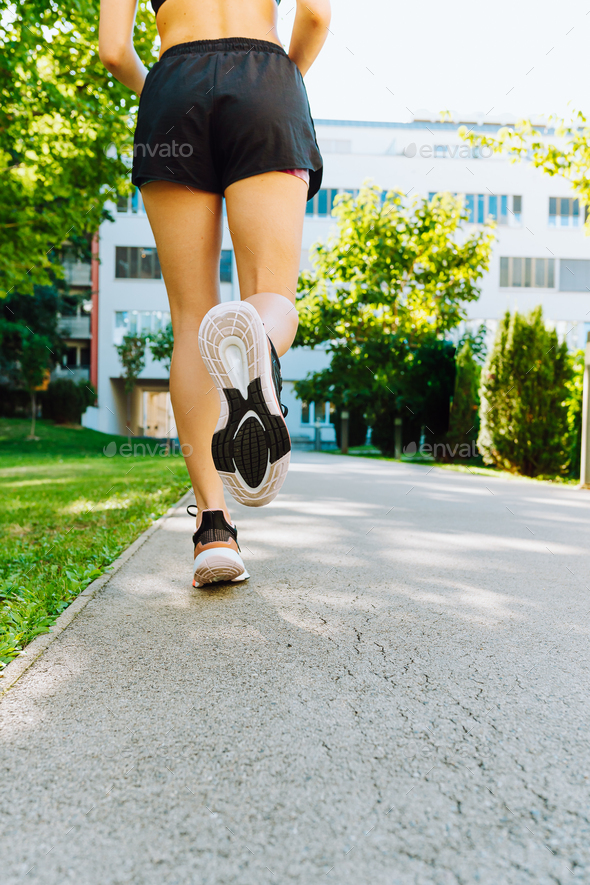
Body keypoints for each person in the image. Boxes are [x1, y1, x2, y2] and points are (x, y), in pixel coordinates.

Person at [99, 0, 330, 587]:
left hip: (172, 91)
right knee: (272, 297)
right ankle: (254, 345)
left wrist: (165, 86)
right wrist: (282, 78)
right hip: (267, 84)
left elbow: (112, 51)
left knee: (190, 319)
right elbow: (317, 17)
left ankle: (213, 531)